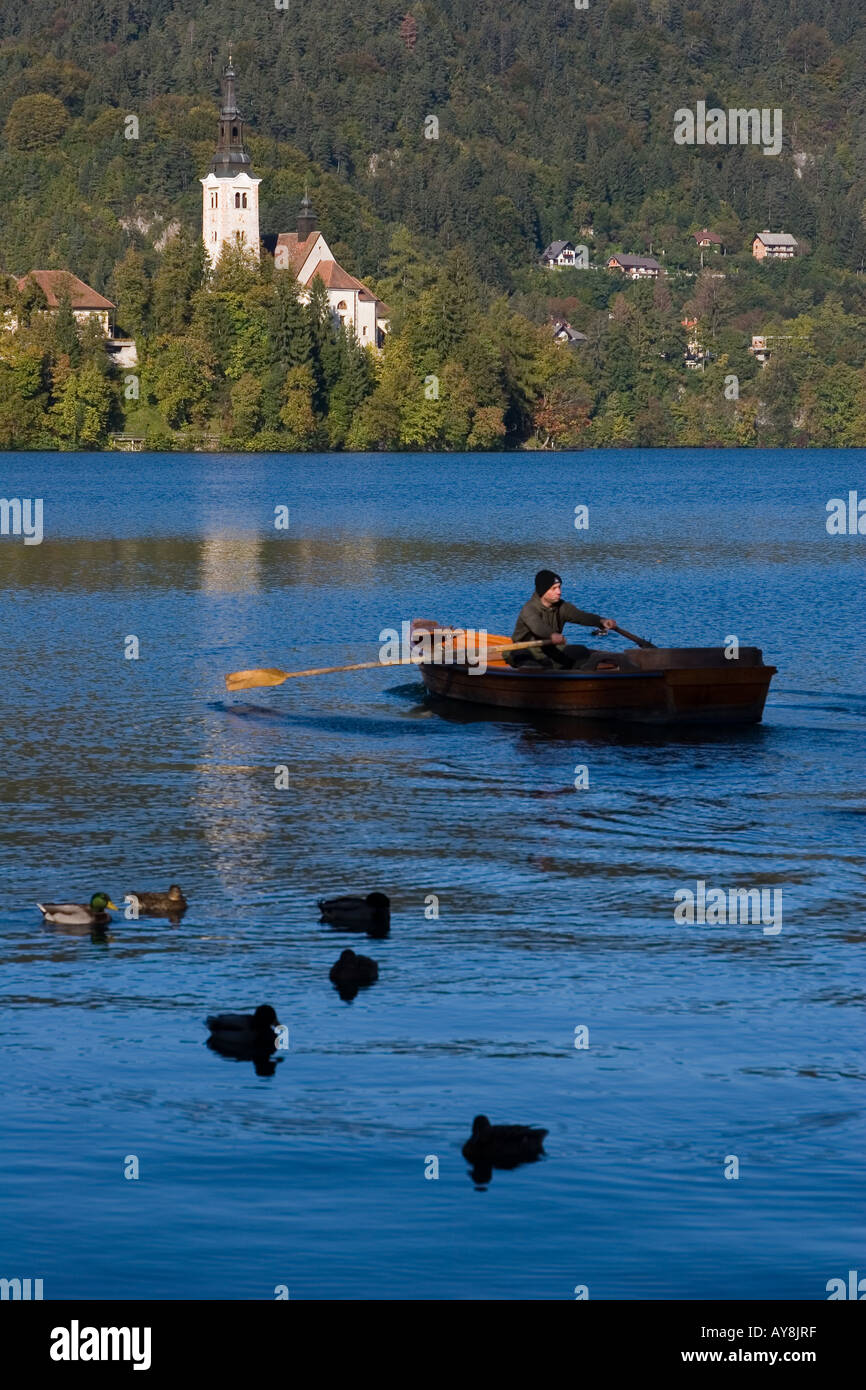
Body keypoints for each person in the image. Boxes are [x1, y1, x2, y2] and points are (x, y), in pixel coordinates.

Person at [508, 569, 617, 669]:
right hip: (524, 651)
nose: (559, 592)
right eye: (554, 588)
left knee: (581, 651)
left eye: (559, 587)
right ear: (543, 590)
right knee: (530, 665)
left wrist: (601, 621)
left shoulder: (562, 607)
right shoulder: (529, 609)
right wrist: (551, 635)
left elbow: (581, 616)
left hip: (549, 650)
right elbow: (537, 626)